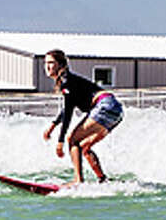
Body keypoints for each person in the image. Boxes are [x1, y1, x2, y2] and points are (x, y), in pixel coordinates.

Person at [41, 48, 122, 183]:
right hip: (116, 111)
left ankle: (78, 180)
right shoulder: (68, 81)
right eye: (45, 63)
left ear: (61, 65)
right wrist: (53, 125)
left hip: (103, 105)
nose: (47, 66)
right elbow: (68, 107)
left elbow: (68, 114)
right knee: (85, 147)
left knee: (73, 140)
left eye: (51, 63)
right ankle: (102, 179)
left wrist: (60, 141)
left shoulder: (67, 81)